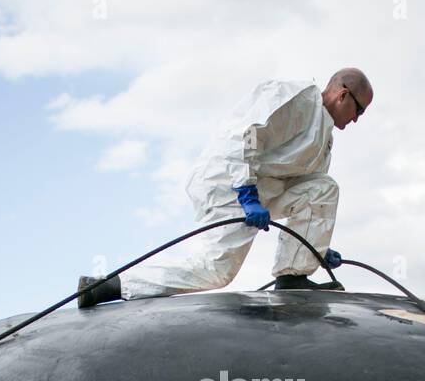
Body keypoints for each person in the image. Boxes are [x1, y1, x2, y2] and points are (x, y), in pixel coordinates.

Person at [77, 67, 373, 308]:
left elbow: (307, 192)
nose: (356, 120)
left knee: (324, 187)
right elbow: (244, 135)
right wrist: (247, 194)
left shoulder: (324, 141)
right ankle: (108, 286)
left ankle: (293, 277)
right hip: (227, 184)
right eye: (358, 110)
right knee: (216, 271)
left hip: (261, 192)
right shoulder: (296, 98)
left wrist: (315, 246)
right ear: (342, 95)